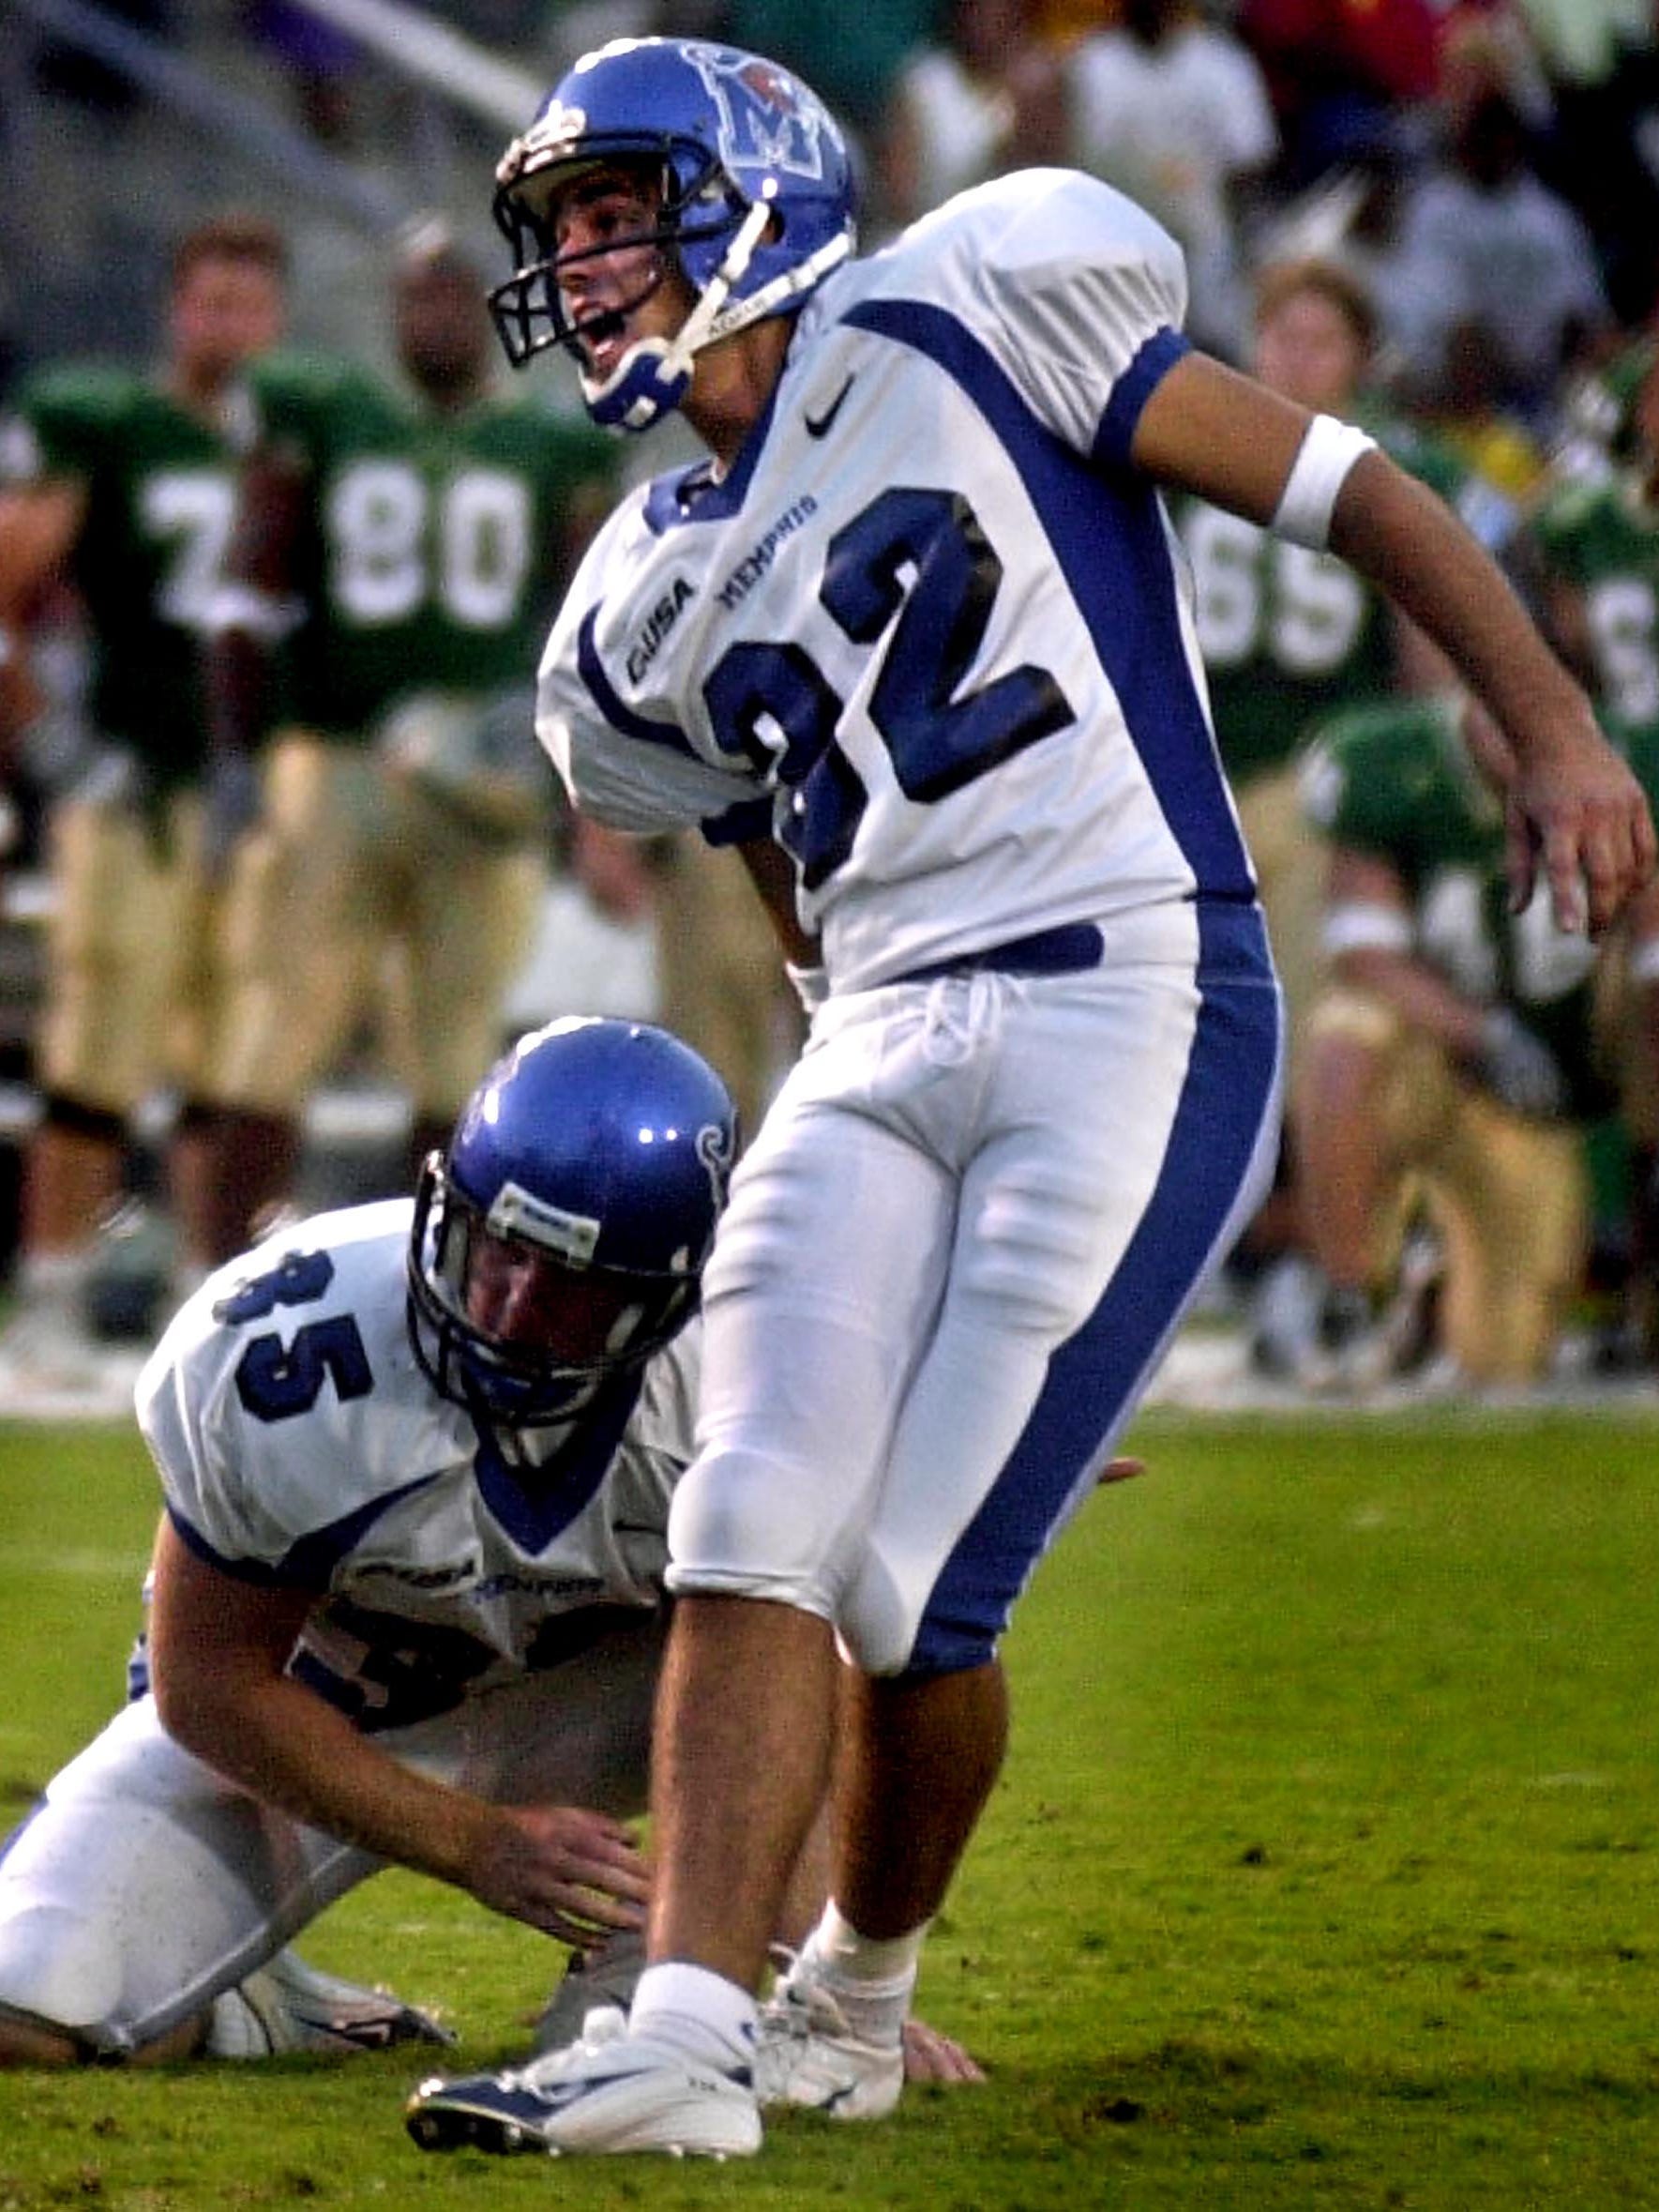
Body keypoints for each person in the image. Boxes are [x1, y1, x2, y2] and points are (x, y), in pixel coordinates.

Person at [406, 35, 1653, 2160]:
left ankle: (850, 1999)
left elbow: (1351, 482)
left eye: (620, 214)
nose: (589, 268)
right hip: (879, 1025)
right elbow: (767, 830)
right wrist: (836, 1018)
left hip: (1127, 984)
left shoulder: (976, 301)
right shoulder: (622, 604)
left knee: (904, 1591)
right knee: (744, 1506)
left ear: (756, 194)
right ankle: (685, 2033)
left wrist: (1548, 726)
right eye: (568, 235)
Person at [0, 1016, 733, 2067]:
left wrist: (826, 1980)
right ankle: (251, 2007)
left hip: (620, 1711)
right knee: (28, 2006)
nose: (515, 1310)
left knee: (788, 1639)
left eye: (573, 1290)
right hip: (318, 1722)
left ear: (666, 1299)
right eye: (499, 1254)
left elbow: (812, 1694)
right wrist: (475, 1845)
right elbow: (205, 1681)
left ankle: (677, 1971)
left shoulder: (744, 1375)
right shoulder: (288, 1348)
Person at [197, 221, 622, 1265]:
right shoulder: (328, 413)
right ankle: (218, 1271)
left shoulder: (550, 442)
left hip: (483, 784)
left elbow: (586, 617)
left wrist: (578, 787)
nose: (431, 315)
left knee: (456, 1053)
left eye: (450, 296)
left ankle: (427, 1278)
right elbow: (251, 588)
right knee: (278, 1027)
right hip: (337, 758)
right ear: (392, 310)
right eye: (415, 296)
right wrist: (242, 759)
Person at [0, 214, 291, 1395]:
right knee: (100, 1041)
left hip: (244, 780)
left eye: (248, 304)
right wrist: (55, 744)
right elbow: (11, 583)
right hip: (132, 771)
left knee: (224, 1050)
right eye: (209, 301)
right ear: (177, 308)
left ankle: (200, 1290)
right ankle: (53, 1292)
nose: (229, 325)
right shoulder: (107, 425)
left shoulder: (290, 438)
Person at [1289, 693, 1654, 1390]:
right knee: (1348, 1032)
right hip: (1437, 1065)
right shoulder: (1388, 765)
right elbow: (1362, 953)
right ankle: (1344, 1298)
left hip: (1542, 1106)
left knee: (1503, 1358)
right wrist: (1483, 1032)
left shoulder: (1632, 765)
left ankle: (1431, 1292)